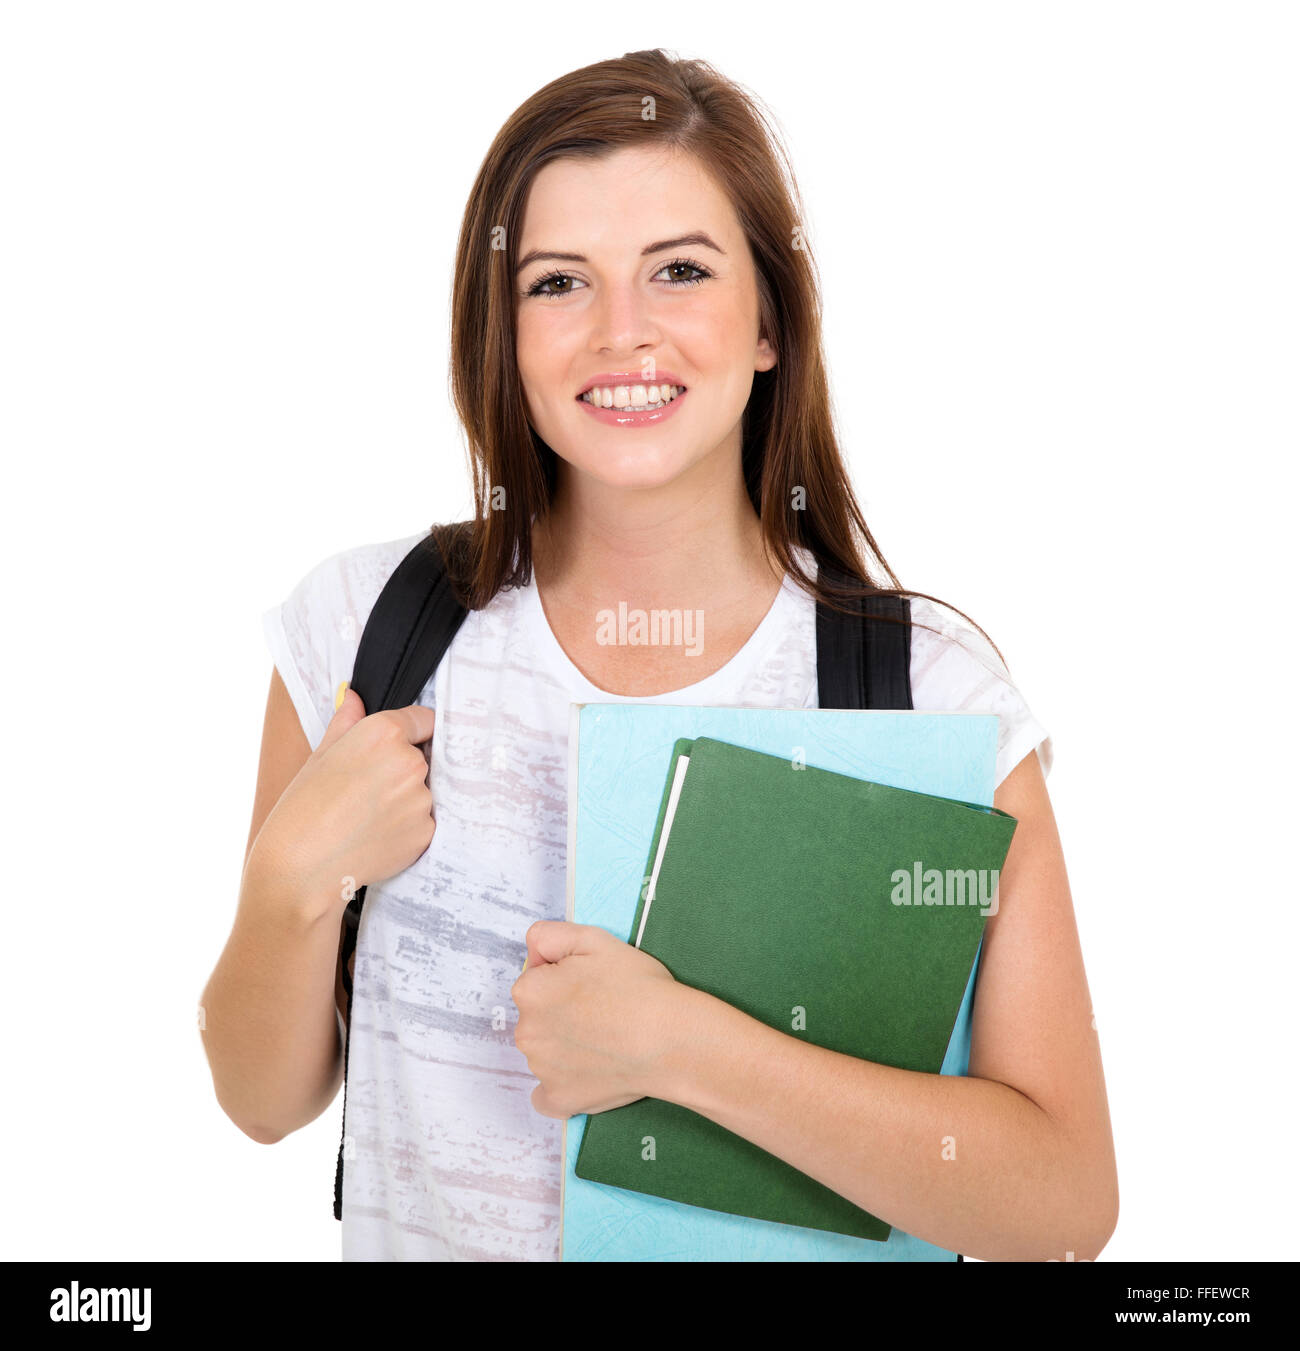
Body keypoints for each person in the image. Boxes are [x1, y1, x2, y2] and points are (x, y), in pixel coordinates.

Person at [200, 48, 1117, 1262]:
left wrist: (683, 1050)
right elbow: (263, 1101)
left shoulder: (926, 697)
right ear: (503, 332)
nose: (620, 334)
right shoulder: (370, 626)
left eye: (679, 271)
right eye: (557, 283)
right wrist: (288, 884)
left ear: (769, 324)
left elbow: (1060, 1203)